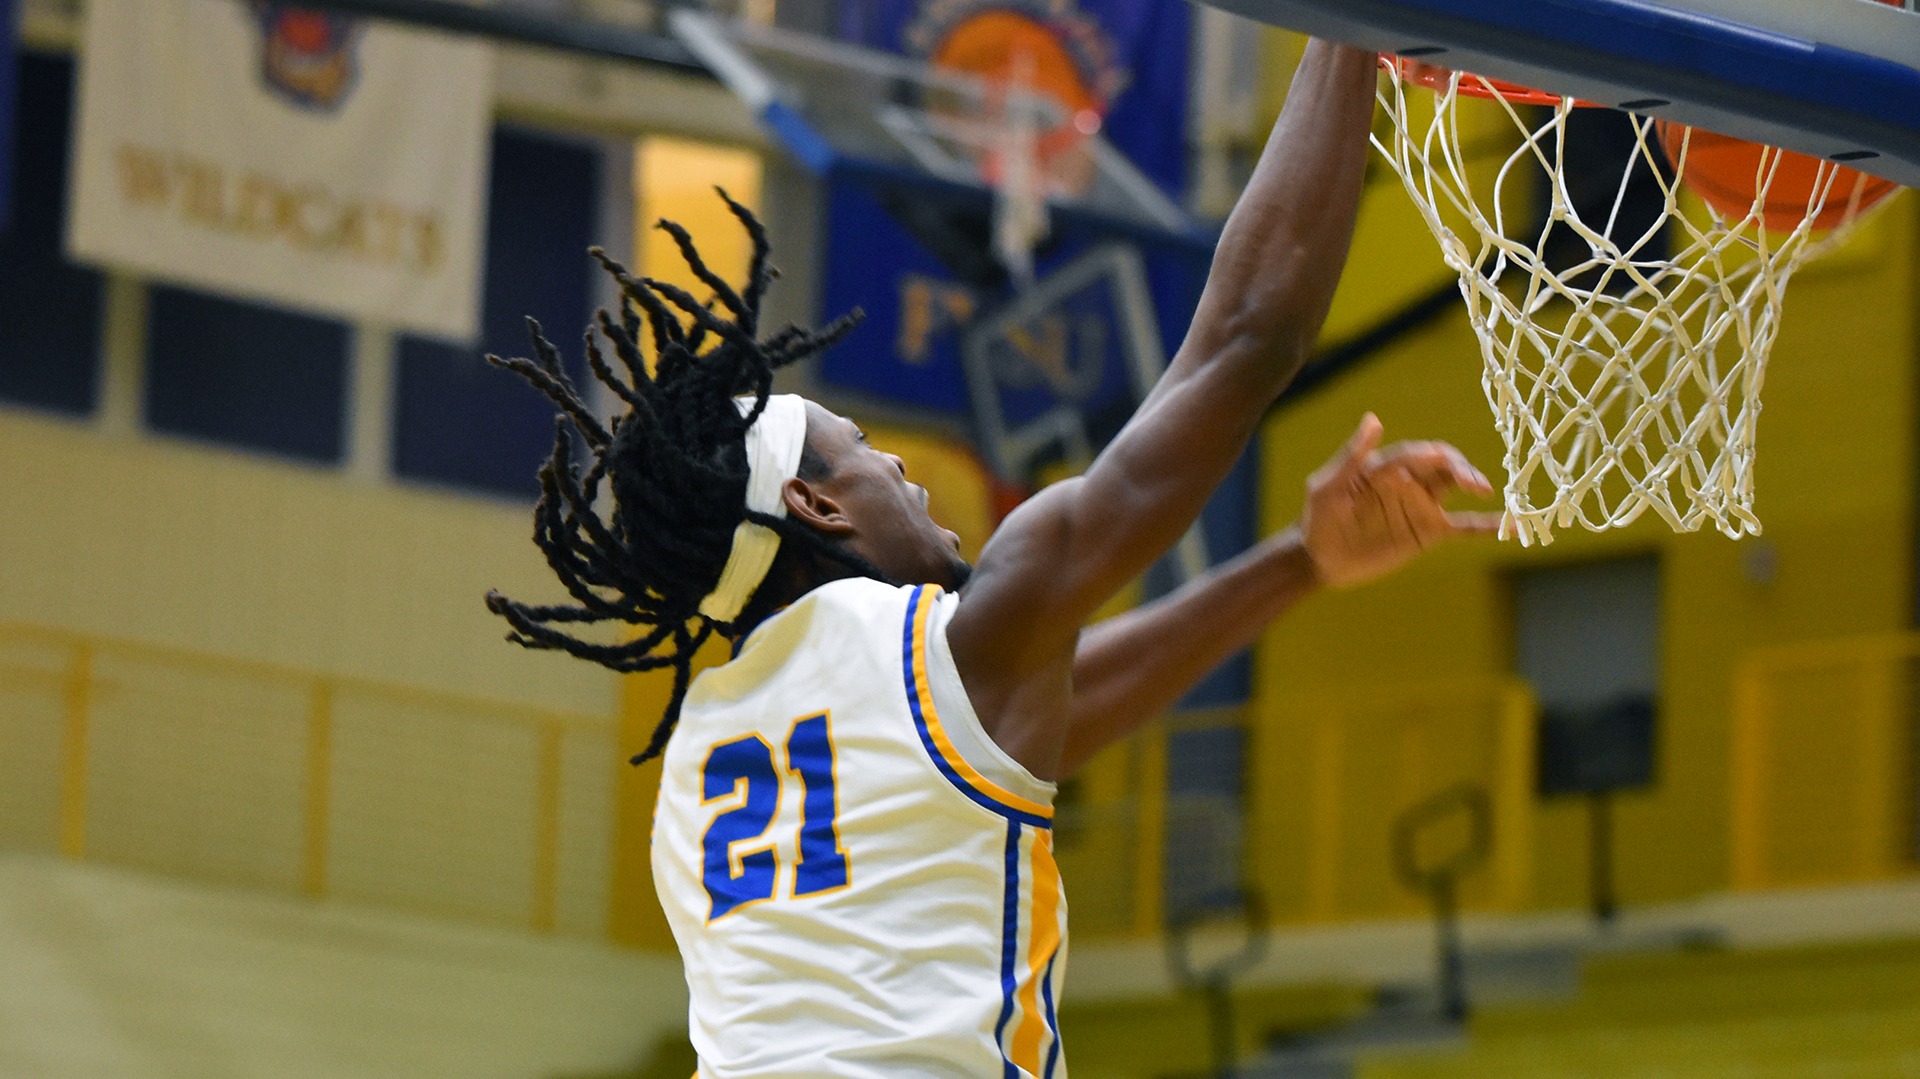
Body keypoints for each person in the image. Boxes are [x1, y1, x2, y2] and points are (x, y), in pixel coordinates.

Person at [485, 39, 1496, 1079]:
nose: (905, 470)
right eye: (867, 451)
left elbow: (1046, 702)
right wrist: (1346, 34)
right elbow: (1247, 337)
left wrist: (1298, 561)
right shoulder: (956, 644)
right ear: (816, 503)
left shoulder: (702, 758)